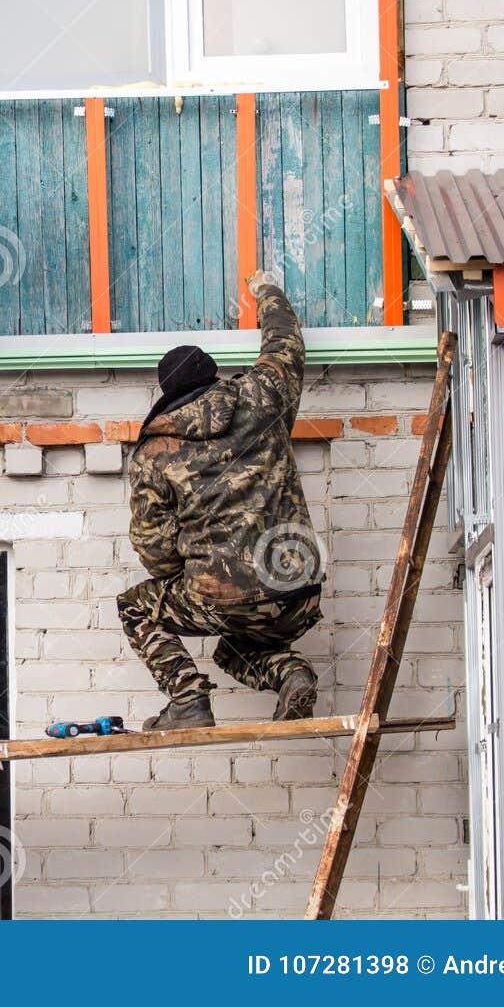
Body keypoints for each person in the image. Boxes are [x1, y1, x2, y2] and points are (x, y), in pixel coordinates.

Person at [118, 270, 323, 732]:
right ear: (213, 376)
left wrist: (203, 575)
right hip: (299, 592)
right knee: (234, 645)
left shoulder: (155, 453)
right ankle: (291, 674)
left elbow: (154, 550)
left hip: (222, 597)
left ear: (167, 397)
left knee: (134, 605)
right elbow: (284, 341)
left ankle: (188, 700)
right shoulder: (264, 396)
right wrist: (266, 288)